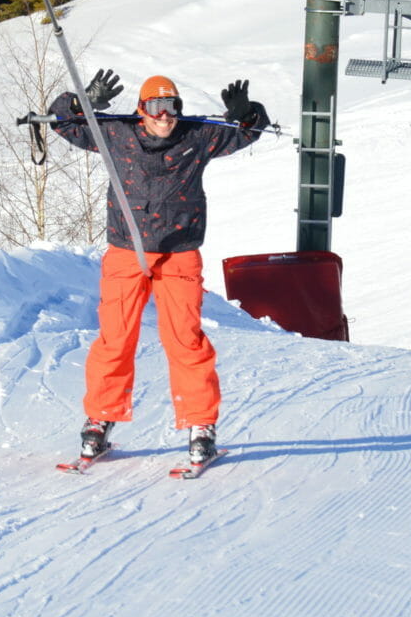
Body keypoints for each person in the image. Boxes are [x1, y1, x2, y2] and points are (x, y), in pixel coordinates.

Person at [49, 69, 269, 465]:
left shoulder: (197, 137)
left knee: (185, 339)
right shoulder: (115, 134)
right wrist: (83, 103)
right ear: (141, 109)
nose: (164, 116)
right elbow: (64, 121)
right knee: (115, 339)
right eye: (155, 106)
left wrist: (247, 112)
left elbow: (250, 131)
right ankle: (100, 419)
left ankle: (201, 423)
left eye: (171, 106)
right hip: (126, 251)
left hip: (179, 251)